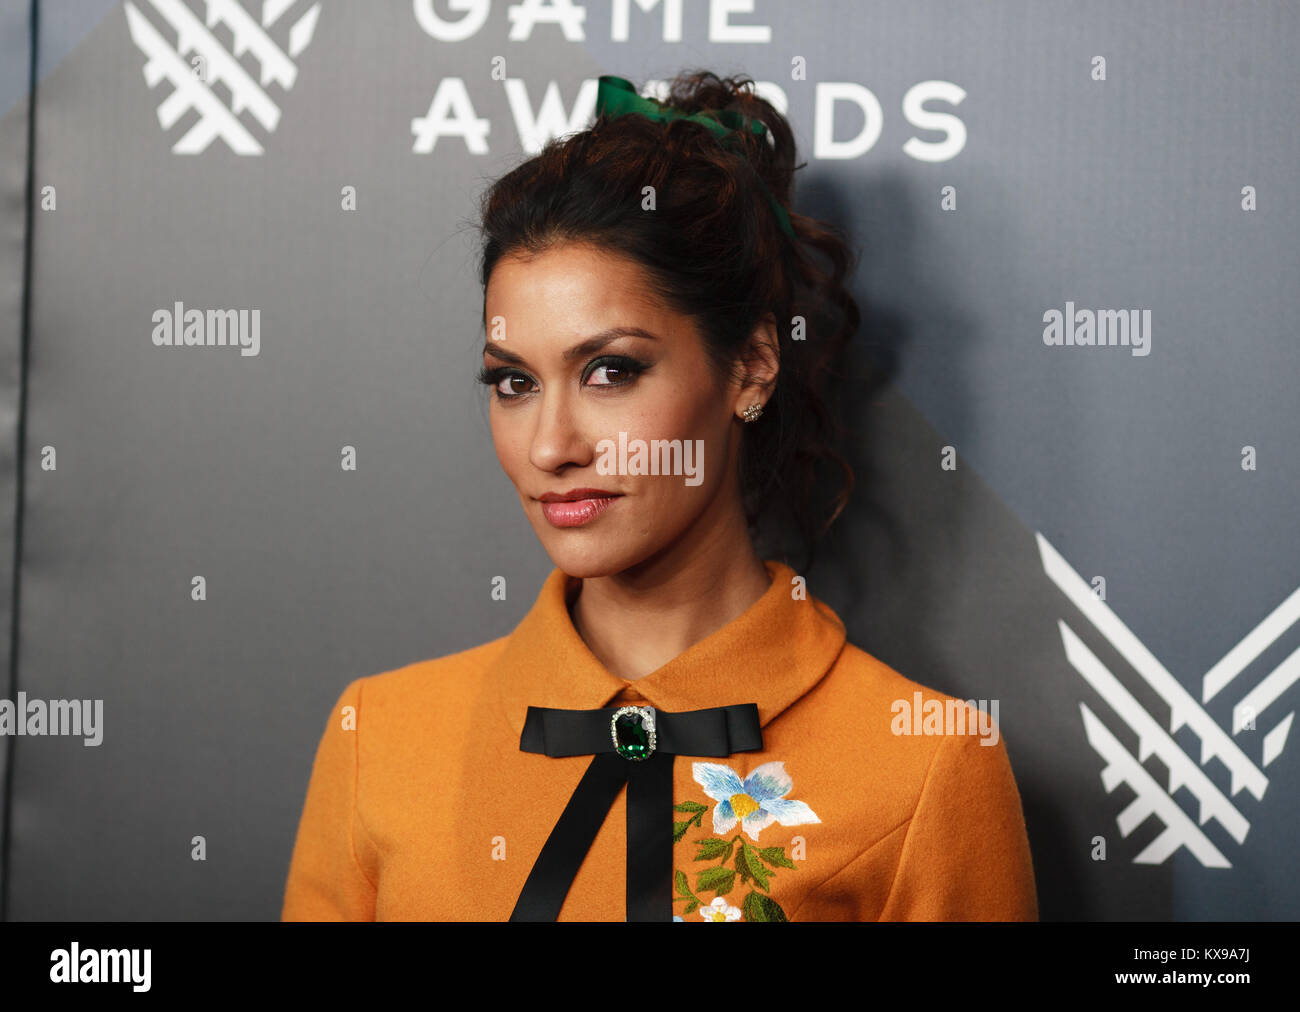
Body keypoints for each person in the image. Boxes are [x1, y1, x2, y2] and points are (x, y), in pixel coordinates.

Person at [280, 71, 1037, 922]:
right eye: (513, 383)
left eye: (611, 371)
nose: (551, 447)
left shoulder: (929, 766)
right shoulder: (379, 736)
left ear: (750, 366)